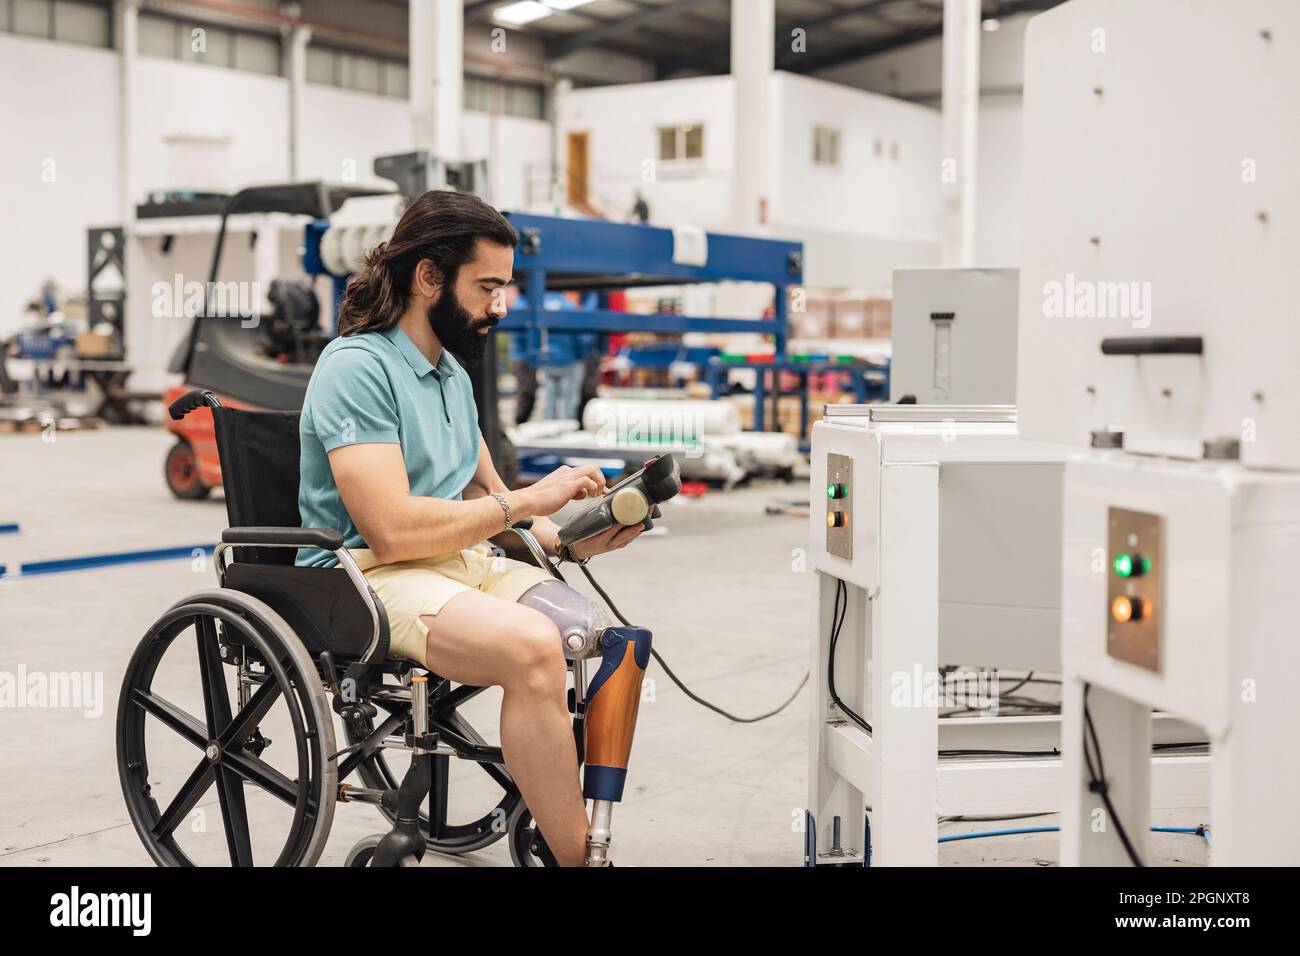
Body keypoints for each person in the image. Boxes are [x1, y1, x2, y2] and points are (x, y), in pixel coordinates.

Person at [295, 190, 643, 866]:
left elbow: (500, 502)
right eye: (487, 287)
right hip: (364, 575)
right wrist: (524, 504)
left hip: (454, 562)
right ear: (429, 277)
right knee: (533, 649)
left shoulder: (450, 372)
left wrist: (578, 533)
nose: (501, 304)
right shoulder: (356, 369)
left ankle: (570, 822)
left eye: (503, 287)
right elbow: (391, 531)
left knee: (601, 641)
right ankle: (582, 858)